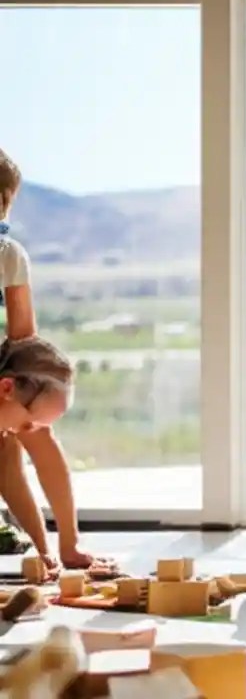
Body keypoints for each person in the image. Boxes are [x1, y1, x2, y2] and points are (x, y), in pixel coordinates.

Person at [0, 149, 104, 572]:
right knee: (6, 450)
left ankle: (66, 545)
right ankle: (41, 550)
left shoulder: (9, 255)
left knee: (35, 431)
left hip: (5, 366)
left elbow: (23, 334)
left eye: (4, 204)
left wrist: (24, 386)